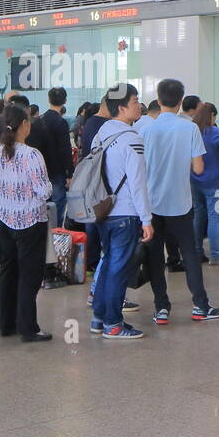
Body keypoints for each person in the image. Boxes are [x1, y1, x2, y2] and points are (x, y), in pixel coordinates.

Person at [140, 79, 219, 325]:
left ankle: (161, 308)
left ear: (158, 97)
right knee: (189, 254)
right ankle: (200, 306)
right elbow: (198, 168)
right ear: (180, 101)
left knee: (155, 257)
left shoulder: (146, 130)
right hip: (180, 203)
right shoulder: (189, 129)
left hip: (152, 203)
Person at [87, 83, 153, 340]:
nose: (139, 105)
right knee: (117, 268)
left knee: (107, 264)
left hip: (103, 211)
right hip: (125, 212)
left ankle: (99, 318)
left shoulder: (100, 134)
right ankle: (113, 323)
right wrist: (146, 219)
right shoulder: (131, 138)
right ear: (122, 107)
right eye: (135, 101)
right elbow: (138, 183)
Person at [0, 104, 54, 341]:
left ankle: (5, 324)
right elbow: (44, 191)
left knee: (8, 271)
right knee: (30, 275)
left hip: (4, 218)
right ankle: (28, 328)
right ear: (24, 125)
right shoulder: (31, 154)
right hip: (30, 221)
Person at [190, 102, 219, 264]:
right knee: (214, 218)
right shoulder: (215, 133)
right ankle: (215, 255)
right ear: (212, 116)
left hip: (193, 179)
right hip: (212, 181)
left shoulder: (193, 130)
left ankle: (197, 251)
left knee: (198, 216)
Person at [36, 87, 75, 226]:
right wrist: (70, 173)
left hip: (42, 169)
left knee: (43, 204)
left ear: (48, 99)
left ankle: (43, 232)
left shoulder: (39, 120)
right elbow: (65, 149)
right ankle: (55, 234)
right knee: (57, 205)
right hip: (58, 171)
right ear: (65, 100)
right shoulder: (61, 122)